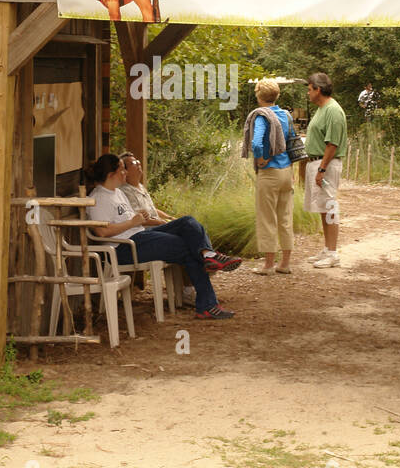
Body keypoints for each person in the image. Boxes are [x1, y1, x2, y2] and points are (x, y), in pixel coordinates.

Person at [85, 154, 239, 319]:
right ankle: (208, 303)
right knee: (187, 246)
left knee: (187, 222)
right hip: (125, 248)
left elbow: (126, 218)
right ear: (111, 174)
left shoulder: (117, 192)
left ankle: (209, 255)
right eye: (122, 169)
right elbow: (102, 232)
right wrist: (132, 222)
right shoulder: (98, 198)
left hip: (140, 236)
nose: (125, 172)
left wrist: (139, 217)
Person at [242, 78, 294, 275]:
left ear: (258, 95)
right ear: (277, 95)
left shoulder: (262, 116)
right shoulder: (285, 115)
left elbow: (256, 143)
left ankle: (268, 265)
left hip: (269, 172)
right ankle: (285, 263)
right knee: (285, 217)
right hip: (286, 171)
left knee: (267, 218)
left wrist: (262, 159)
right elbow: (290, 142)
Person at [304, 72, 347, 268]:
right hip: (318, 163)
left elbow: (332, 144)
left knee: (330, 206)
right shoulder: (321, 109)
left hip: (326, 164)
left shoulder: (333, 111)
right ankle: (327, 248)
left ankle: (333, 253)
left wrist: (322, 169)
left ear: (318, 89)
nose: (308, 93)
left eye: (309, 89)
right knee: (322, 207)